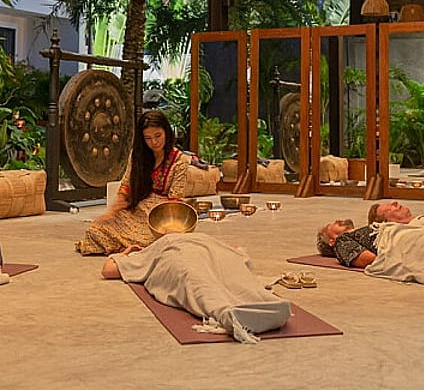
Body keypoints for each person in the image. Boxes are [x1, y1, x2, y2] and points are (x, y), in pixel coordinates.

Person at [100, 233, 291, 343]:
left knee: (202, 283)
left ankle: (230, 314)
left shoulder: (160, 243)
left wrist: (124, 253)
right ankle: (270, 305)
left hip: (184, 254)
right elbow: (242, 253)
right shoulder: (203, 237)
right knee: (234, 282)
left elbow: (108, 270)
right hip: (208, 253)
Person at [76, 109, 189, 255]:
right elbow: (126, 187)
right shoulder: (137, 156)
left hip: (161, 217)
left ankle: (133, 248)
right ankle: (132, 248)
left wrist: (170, 226)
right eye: (148, 138)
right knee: (95, 231)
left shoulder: (180, 161)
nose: (154, 142)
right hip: (137, 211)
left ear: (166, 132)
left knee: (161, 239)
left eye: (158, 136)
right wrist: (111, 212)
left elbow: (176, 202)